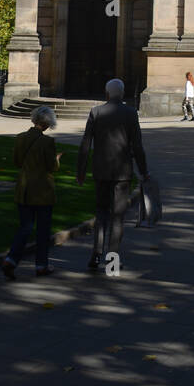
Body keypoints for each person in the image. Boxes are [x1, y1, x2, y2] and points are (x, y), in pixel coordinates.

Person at [77, 78, 149, 272]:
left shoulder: (96, 112)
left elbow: (85, 144)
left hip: (101, 170)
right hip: (122, 173)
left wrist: (80, 171)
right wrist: (144, 171)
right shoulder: (130, 113)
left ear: (106, 94)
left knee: (101, 213)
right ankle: (112, 263)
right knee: (117, 218)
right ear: (123, 93)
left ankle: (96, 254)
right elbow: (138, 146)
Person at [2, 106, 60, 279]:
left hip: (24, 188)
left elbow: (17, 162)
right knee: (43, 230)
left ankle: (11, 260)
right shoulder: (47, 142)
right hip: (42, 190)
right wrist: (57, 160)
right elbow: (52, 167)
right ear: (47, 124)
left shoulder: (20, 138)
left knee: (25, 227)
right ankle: (41, 265)